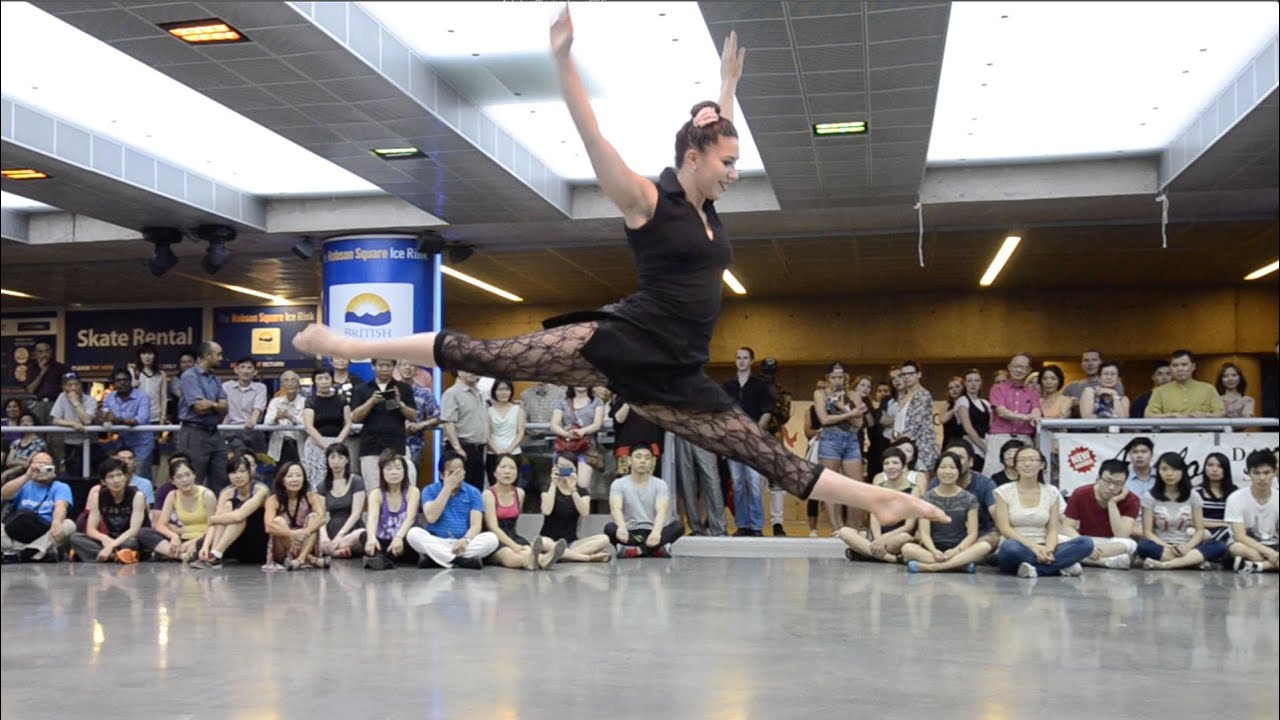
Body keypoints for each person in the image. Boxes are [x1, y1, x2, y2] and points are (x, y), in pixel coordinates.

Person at [291, 14, 945, 530]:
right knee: (488, 356)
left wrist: (726, 89)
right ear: (693, 157)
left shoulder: (707, 203)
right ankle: (351, 344)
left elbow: (713, 134)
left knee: (761, 452)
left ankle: (874, 500)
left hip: (677, 373)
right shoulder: (647, 202)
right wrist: (562, 63)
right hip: (623, 341)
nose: (734, 171)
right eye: (727, 161)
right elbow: (593, 135)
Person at [993, 447, 1093, 578]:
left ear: (1042, 465)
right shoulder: (1003, 491)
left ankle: (1037, 570)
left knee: (1085, 543)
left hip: (1044, 545)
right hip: (1018, 546)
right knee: (1010, 548)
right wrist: (1034, 547)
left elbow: (1053, 529)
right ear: (1015, 465)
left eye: (1032, 460)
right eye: (1022, 460)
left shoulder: (1051, 492)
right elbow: (1004, 529)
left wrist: (1049, 550)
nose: (1027, 464)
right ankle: (1059, 565)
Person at [902, 452, 993, 573]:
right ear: (936, 471)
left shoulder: (969, 498)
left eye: (952, 468)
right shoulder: (927, 498)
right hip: (932, 549)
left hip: (960, 548)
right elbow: (924, 533)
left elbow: (972, 534)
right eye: (943, 467)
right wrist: (934, 550)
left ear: (959, 471)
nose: (947, 472)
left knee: (984, 546)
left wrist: (956, 550)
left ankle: (932, 567)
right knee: (907, 548)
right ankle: (959, 565)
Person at [1136, 451, 1228, 570]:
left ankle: (1165, 565)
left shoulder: (1193, 496)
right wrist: (1168, 547)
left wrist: (1187, 547)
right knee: (1143, 546)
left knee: (1218, 546)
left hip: (1187, 545)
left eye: (1174, 470)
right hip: (1161, 546)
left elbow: (1199, 530)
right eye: (1164, 469)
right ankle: (1192, 562)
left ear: (1182, 472)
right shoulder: (1149, 497)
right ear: (1158, 471)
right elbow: (1147, 532)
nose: (1169, 474)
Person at [406, 453, 500, 569]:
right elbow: (431, 517)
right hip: (437, 541)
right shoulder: (429, 490)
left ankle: (438, 559)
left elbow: (476, 525)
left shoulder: (474, 492)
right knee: (413, 534)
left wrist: (466, 540)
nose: (456, 477)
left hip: (463, 543)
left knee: (492, 539)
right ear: (441, 474)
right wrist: (447, 488)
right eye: (451, 473)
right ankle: (459, 560)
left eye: (459, 473)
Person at [722, 346, 774, 538]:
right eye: (738, 358)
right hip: (733, 440)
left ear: (752, 361)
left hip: (753, 440)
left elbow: (767, 411)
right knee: (737, 483)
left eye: (745, 358)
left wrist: (755, 433)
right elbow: (722, 414)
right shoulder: (727, 386)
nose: (741, 361)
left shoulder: (760, 386)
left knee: (753, 482)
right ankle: (742, 524)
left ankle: (756, 525)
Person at [482, 454, 566, 571]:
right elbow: (492, 527)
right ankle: (539, 560)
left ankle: (540, 559)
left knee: (526, 550)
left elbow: (515, 521)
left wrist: (516, 545)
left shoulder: (520, 493)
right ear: (495, 472)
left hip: (513, 535)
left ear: (517, 472)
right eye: (503, 467)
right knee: (508, 553)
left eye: (512, 468)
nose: (507, 471)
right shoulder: (488, 494)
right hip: (494, 539)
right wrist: (513, 546)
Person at [838, 447, 918, 564]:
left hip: (896, 535)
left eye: (895, 463)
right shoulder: (878, 488)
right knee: (844, 531)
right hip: (876, 535)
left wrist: (883, 539)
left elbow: (909, 526)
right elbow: (874, 518)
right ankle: (890, 558)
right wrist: (878, 538)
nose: (891, 467)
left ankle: (863, 553)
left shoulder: (914, 490)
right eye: (887, 463)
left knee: (903, 538)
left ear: (903, 466)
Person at [813, 362, 865, 534]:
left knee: (856, 484)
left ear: (845, 377)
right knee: (831, 485)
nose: (837, 380)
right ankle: (837, 528)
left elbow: (859, 423)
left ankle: (854, 528)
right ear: (828, 378)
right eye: (834, 377)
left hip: (850, 440)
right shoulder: (820, 394)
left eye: (840, 377)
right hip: (830, 440)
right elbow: (824, 420)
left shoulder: (853, 394)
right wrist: (850, 414)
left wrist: (844, 408)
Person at [193, 453, 270, 569]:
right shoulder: (226, 492)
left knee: (237, 515)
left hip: (259, 542)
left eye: (242, 471)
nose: (238, 476)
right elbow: (216, 523)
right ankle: (214, 554)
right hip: (236, 543)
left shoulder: (261, 490)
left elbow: (239, 516)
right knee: (228, 506)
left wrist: (213, 518)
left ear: (249, 472)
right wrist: (205, 546)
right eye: (233, 472)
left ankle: (215, 554)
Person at [605, 445, 683, 558]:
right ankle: (656, 549)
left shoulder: (660, 484)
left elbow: (662, 510)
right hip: (630, 533)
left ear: (652, 462)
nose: (643, 461)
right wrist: (621, 527)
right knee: (610, 528)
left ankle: (637, 551)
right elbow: (616, 508)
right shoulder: (618, 484)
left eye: (647, 458)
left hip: (652, 532)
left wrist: (656, 532)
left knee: (678, 526)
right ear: (629, 460)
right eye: (638, 457)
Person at [1062, 459, 1140, 570]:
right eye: (1108, 481)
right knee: (1058, 539)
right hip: (1085, 540)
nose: (1111, 487)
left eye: (1118, 483)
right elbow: (1067, 527)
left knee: (1130, 544)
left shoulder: (1131, 500)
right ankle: (1104, 561)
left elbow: (1121, 534)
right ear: (1098, 478)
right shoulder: (1080, 493)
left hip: (1111, 542)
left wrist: (1112, 503)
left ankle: (1079, 558)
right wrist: (1084, 545)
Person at [69, 458, 147, 564]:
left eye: (119, 475)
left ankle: (104, 555)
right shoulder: (98, 496)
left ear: (126, 477)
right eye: (111, 477)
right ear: (103, 481)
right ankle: (116, 556)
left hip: (127, 538)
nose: (116, 480)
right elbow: (91, 529)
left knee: (131, 542)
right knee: (75, 538)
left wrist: (111, 545)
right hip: (109, 538)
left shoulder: (137, 496)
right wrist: (104, 538)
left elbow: (134, 530)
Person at [0, 452, 74, 562]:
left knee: (69, 525)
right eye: (39, 466)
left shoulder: (60, 487)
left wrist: (56, 523)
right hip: (17, 533)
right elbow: (5, 493)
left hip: (45, 533)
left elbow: (61, 506)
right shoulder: (23, 485)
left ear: (53, 469)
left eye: (47, 466)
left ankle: (18, 554)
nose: (42, 470)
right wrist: (27, 476)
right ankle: (34, 552)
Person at [137, 459, 215, 562]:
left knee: (212, 539)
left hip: (203, 539)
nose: (184, 480)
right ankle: (182, 556)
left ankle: (170, 553)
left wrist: (191, 543)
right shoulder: (172, 495)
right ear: (173, 481)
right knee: (144, 532)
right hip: (182, 538)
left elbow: (213, 527)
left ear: (194, 475)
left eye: (188, 475)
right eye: (179, 477)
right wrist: (173, 536)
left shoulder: (207, 495)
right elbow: (160, 525)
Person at [175, 342, 229, 491]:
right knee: (194, 480)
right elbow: (199, 408)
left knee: (221, 477)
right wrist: (216, 405)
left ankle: (217, 513)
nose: (222, 358)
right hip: (194, 433)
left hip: (214, 432)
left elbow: (225, 408)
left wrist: (211, 405)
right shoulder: (189, 376)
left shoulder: (215, 379)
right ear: (206, 356)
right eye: (218, 354)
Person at [540, 452, 613, 562]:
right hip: (550, 541)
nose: (564, 470)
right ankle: (584, 557)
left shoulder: (582, 492)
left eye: (568, 467)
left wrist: (573, 489)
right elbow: (546, 511)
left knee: (604, 539)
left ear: (575, 469)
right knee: (543, 542)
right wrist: (554, 484)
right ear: (555, 468)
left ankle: (560, 556)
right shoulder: (548, 489)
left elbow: (584, 512)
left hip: (572, 543)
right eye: (561, 467)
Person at [361, 451, 422, 570]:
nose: (394, 472)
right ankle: (381, 559)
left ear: (404, 471)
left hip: (404, 540)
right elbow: (372, 518)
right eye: (388, 469)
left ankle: (381, 560)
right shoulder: (376, 494)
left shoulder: (413, 491)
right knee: (364, 535)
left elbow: (410, 518)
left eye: (398, 468)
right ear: (382, 472)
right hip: (384, 540)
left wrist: (398, 538)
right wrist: (371, 538)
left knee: (414, 539)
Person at [263, 461, 327, 571]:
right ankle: (311, 559)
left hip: (306, 543)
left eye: (298, 475)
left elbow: (322, 518)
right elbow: (268, 527)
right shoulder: (273, 500)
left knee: (314, 517)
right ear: (282, 480)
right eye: (290, 476)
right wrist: (292, 534)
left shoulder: (311, 496)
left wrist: (304, 533)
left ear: (303, 479)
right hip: (282, 548)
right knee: (278, 521)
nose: (295, 479)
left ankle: (301, 559)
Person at [983, 354, 1039, 476]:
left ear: (1029, 370)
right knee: (994, 475)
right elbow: (1001, 412)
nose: (1018, 370)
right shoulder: (998, 388)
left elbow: (1036, 411)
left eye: (1023, 367)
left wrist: (1035, 415)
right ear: (1009, 367)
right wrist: (1025, 417)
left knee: (1025, 475)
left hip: (1024, 439)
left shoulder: (1033, 393)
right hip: (1000, 438)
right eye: (1015, 366)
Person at [1225, 449, 1278, 573]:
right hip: (1248, 545)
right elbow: (1239, 536)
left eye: (1266, 472)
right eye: (1256, 473)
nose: (1262, 478)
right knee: (1236, 548)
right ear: (1248, 473)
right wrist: (1269, 552)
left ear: (1275, 472)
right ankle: (1268, 563)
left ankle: (1257, 566)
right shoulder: (1235, 498)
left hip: (1274, 544)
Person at [301, 368, 353, 489]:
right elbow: (309, 427)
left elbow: (348, 424)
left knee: (339, 478)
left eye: (326, 378)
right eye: (320, 378)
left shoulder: (341, 400)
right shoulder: (310, 401)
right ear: (314, 382)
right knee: (316, 482)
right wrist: (326, 446)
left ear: (332, 380)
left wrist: (337, 444)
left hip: (339, 444)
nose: (324, 381)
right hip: (316, 445)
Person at [100, 367, 154, 481]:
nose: (122, 383)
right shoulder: (109, 397)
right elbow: (105, 414)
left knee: (140, 476)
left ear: (130, 381)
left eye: (125, 380)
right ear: (114, 383)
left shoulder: (142, 396)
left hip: (142, 444)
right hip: (122, 444)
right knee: (121, 476)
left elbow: (141, 419)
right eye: (118, 380)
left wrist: (116, 419)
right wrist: (102, 417)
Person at [438, 370, 488, 490]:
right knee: (458, 489)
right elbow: (448, 422)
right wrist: (458, 448)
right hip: (461, 449)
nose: (472, 372)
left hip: (478, 449)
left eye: (475, 368)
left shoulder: (479, 392)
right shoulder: (452, 393)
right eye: (467, 369)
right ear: (459, 372)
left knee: (476, 490)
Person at [551, 386, 606, 492]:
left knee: (583, 486)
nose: (580, 384)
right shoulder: (562, 402)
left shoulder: (596, 401)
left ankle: (583, 506)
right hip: (565, 448)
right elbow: (554, 424)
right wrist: (566, 434)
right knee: (564, 484)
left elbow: (597, 424)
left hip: (587, 448)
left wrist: (583, 431)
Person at [317, 443, 366, 559]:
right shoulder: (322, 485)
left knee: (362, 534)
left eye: (340, 457)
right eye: (332, 457)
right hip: (332, 529)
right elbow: (321, 515)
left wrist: (341, 535)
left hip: (351, 528)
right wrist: (324, 536)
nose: (336, 461)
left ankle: (334, 551)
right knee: (317, 539)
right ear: (327, 461)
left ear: (347, 460)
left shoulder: (356, 481)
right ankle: (338, 551)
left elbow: (356, 513)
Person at [1145, 350, 1225, 418]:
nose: (1180, 369)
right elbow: (1149, 415)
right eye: (1175, 365)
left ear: (1193, 367)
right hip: (1171, 434)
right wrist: (1171, 416)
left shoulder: (1208, 389)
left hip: (1203, 434)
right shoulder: (1160, 391)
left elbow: (1221, 413)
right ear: (1170, 368)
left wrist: (1205, 415)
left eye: (1184, 365)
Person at [50, 371, 99, 476]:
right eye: (69, 385)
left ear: (81, 385)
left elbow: (87, 420)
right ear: (64, 387)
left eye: (76, 384)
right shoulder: (62, 397)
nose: (73, 388)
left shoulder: (90, 400)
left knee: (93, 474)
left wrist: (75, 403)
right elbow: (55, 420)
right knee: (73, 475)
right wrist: (72, 424)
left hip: (90, 443)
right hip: (70, 444)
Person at [222, 356, 268, 456]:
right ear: (236, 370)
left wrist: (252, 421)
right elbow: (222, 407)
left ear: (255, 372)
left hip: (253, 430)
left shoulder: (260, 388)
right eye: (242, 367)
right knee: (239, 459)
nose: (246, 371)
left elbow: (258, 407)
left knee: (258, 460)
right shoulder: (226, 386)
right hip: (232, 431)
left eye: (249, 368)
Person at [486, 380, 527, 485]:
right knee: (494, 486)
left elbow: (520, 432)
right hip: (493, 454)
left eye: (507, 389)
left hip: (514, 453)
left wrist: (509, 449)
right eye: (500, 389)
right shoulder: (488, 411)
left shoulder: (518, 410)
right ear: (494, 392)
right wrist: (497, 451)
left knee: (513, 487)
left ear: (511, 392)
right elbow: (487, 434)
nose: (504, 393)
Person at [264, 370, 307, 464]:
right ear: (282, 385)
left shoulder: (306, 402)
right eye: (286, 380)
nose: (290, 383)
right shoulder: (275, 402)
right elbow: (266, 423)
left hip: (299, 445)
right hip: (279, 446)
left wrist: (291, 417)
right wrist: (275, 417)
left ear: (298, 384)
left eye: (293, 380)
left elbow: (307, 425)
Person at [1197, 452, 1237, 546]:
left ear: (1226, 469)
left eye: (1219, 466)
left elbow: (1238, 520)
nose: (1214, 469)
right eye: (1210, 465)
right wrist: (1222, 524)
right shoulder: (1196, 492)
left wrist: (1227, 526)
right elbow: (1191, 521)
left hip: (1229, 530)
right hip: (1204, 530)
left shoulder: (1235, 492)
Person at [954, 369, 991, 468]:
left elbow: (991, 426)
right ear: (965, 384)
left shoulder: (985, 403)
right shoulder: (962, 401)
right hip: (971, 444)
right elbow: (968, 429)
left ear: (981, 384)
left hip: (986, 441)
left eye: (976, 380)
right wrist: (985, 448)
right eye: (970, 381)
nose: (973, 384)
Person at [129, 342, 168, 431]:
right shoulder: (133, 371)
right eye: (144, 353)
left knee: (154, 443)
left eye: (150, 353)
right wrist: (132, 386)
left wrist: (163, 418)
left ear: (155, 356)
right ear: (139, 356)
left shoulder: (161, 374)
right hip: (136, 417)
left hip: (155, 417)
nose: (147, 356)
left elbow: (163, 398)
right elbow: (124, 394)